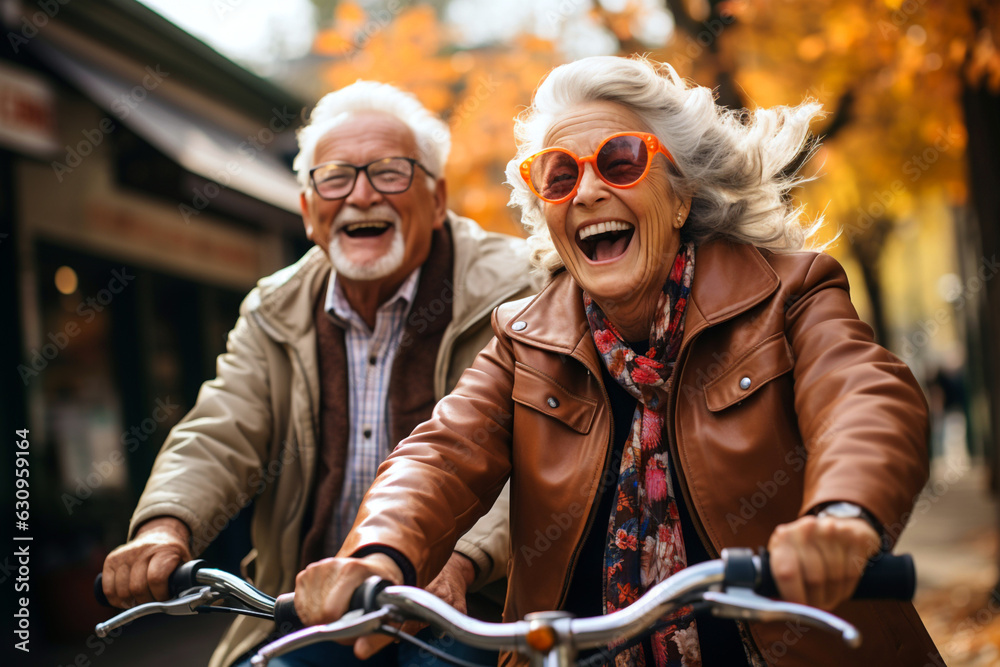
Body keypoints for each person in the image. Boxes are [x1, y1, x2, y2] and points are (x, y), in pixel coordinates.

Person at [292, 56, 943, 667]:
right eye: (560, 174)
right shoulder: (525, 337)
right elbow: (442, 452)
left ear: (680, 195)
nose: (587, 192)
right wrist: (377, 553)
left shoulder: (789, 294)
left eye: (621, 161)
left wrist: (842, 517)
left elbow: (865, 397)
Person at [100, 81, 535, 667]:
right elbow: (221, 430)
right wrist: (163, 525)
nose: (360, 195)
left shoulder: (521, 290)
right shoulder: (273, 307)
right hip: (314, 609)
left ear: (437, 200)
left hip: (468, 604)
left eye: (389, 172)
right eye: (335, 176)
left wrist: (462, 563)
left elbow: (534, 458)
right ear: (308, 210)